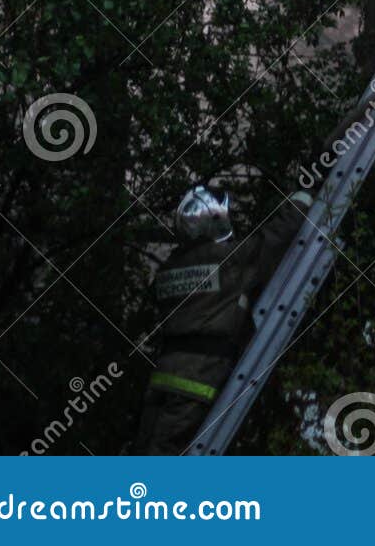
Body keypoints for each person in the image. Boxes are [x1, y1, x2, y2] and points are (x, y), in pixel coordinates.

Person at [134, 183, 313, 454]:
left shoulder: (167, 270)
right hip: (198, 380)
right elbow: (274, 237)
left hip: (161, 380)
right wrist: (303, 195)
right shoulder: (229, 261)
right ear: (215, 220)